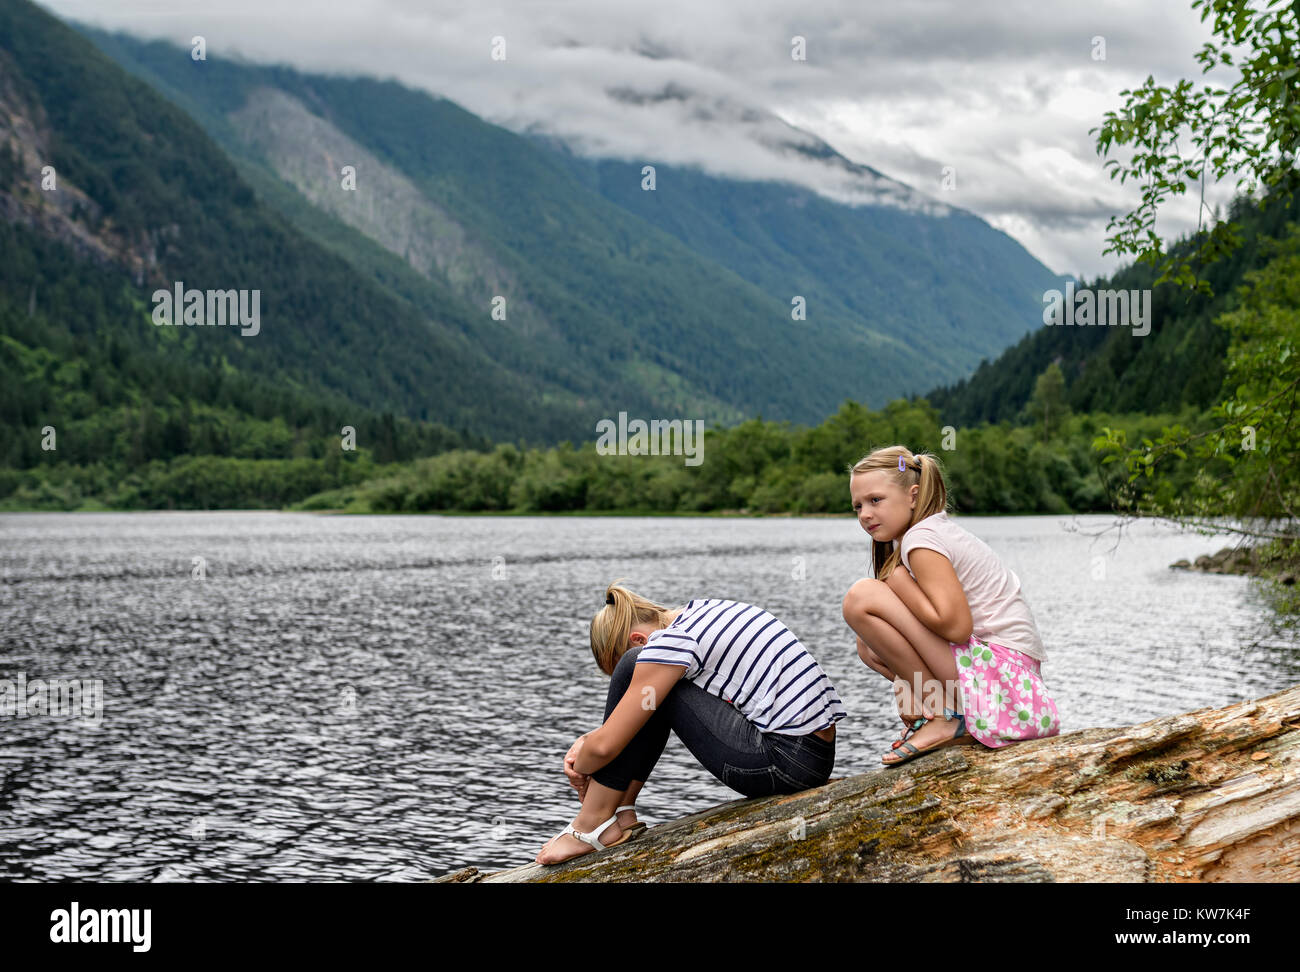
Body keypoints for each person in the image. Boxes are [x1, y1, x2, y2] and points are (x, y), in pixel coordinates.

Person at [535, 580, 846, 865]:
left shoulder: (669, 643)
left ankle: (589, 825)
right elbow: (615, 731)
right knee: (649, 694)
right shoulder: (701, 614)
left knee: (637, 670)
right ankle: (620, 812)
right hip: (809, 755)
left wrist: (583, 765)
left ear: (639, 638)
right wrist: (592, 743)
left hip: (785, 763)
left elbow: (604, 749)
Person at [840, 445, 1060, 766]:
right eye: (857, 506)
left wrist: (900, 582)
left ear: (913, 496)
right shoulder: (928, 534)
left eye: (876, 500)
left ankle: (945, 717)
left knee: (861, 598)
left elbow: (957, 628)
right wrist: (910, 698)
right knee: (869, 644)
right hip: (1006, 684)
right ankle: (940, 717)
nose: (865, 514)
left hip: (1007, 687)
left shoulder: (922, 539)